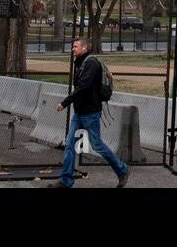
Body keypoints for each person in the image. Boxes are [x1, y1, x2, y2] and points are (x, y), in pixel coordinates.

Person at [54, 37, 129, 187]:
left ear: (84, 48)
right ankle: (66, 180)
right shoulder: (81, 63)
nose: (72, 49)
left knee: (97, 145)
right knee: (70, 145)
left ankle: (122, 170)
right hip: (79, 113)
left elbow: (83, 87)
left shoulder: (92, 63)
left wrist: (65, 103)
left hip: (90, 113)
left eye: (75, 46)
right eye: (73, 46)